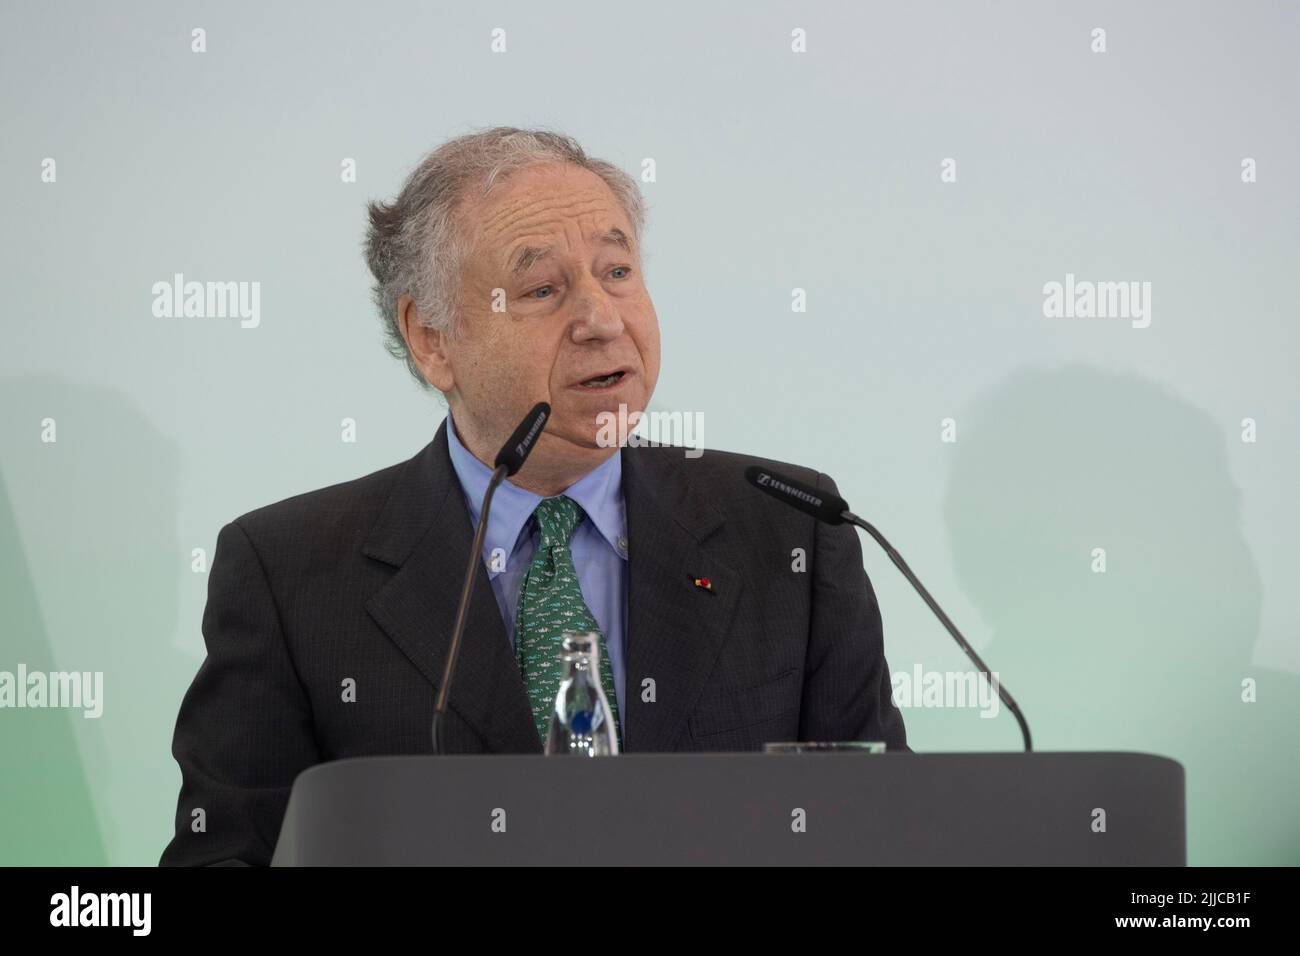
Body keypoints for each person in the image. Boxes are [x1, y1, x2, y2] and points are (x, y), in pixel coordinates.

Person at [160, 127, 906, 866]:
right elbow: (221, 858)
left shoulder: (792, 532)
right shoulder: (289, 573)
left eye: (617, 272)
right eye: (543, 289)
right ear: (432, 339)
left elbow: (881, 834)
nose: (602, 320)